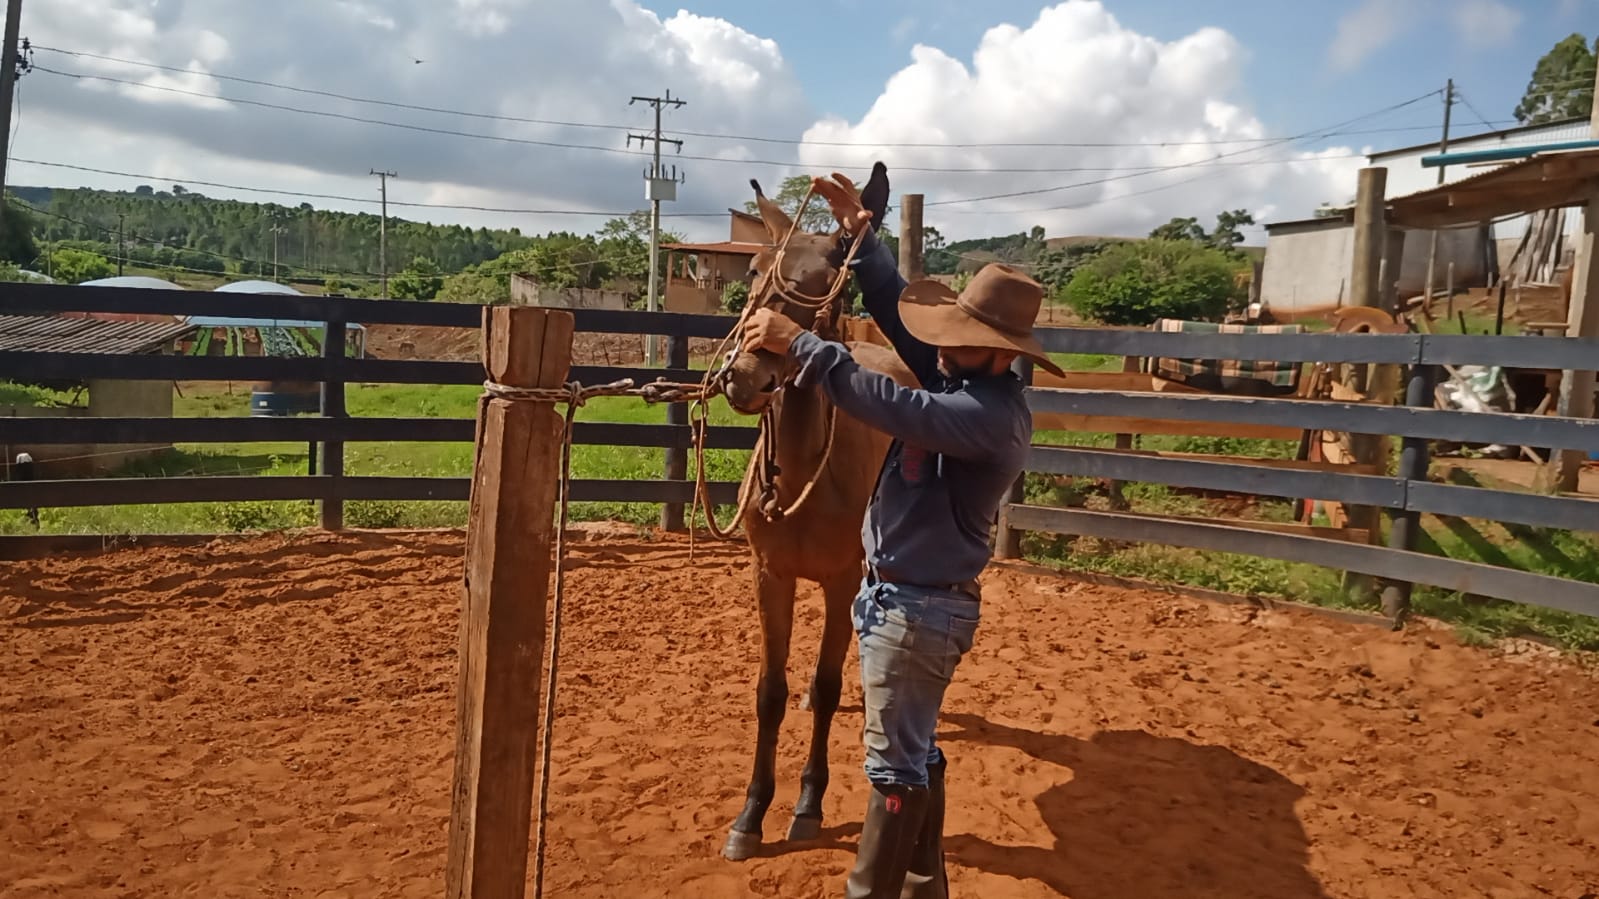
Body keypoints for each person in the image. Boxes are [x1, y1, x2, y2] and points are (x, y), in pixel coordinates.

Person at [741, 177, 1065, 899]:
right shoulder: (967, 382)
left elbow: (882, 397)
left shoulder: (981, 418)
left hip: (917, 610)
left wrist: (804, 346)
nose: (940, 345)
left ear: (993, 351)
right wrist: (861, 235)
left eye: (958, 337)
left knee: (892, 768)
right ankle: (925, 880)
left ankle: (875, 891)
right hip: (909, 601)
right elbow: (896, 315)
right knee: (913, 750)